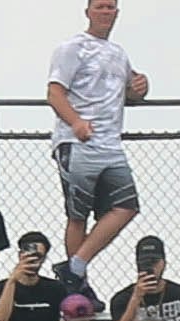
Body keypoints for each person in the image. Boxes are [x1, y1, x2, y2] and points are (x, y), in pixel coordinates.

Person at [45, 0, 150, 272]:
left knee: (127, 206)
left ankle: (75, 267)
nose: (106, 12)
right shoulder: (72, 48)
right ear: (88, 12)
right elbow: (54, 93)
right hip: (78, 142)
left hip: (110, 144)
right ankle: (77, 283)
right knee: (78, 215)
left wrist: (140, 88)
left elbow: (128, 91)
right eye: (100, 7)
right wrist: (76, 122)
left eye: (110, 7)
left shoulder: (119, 53)